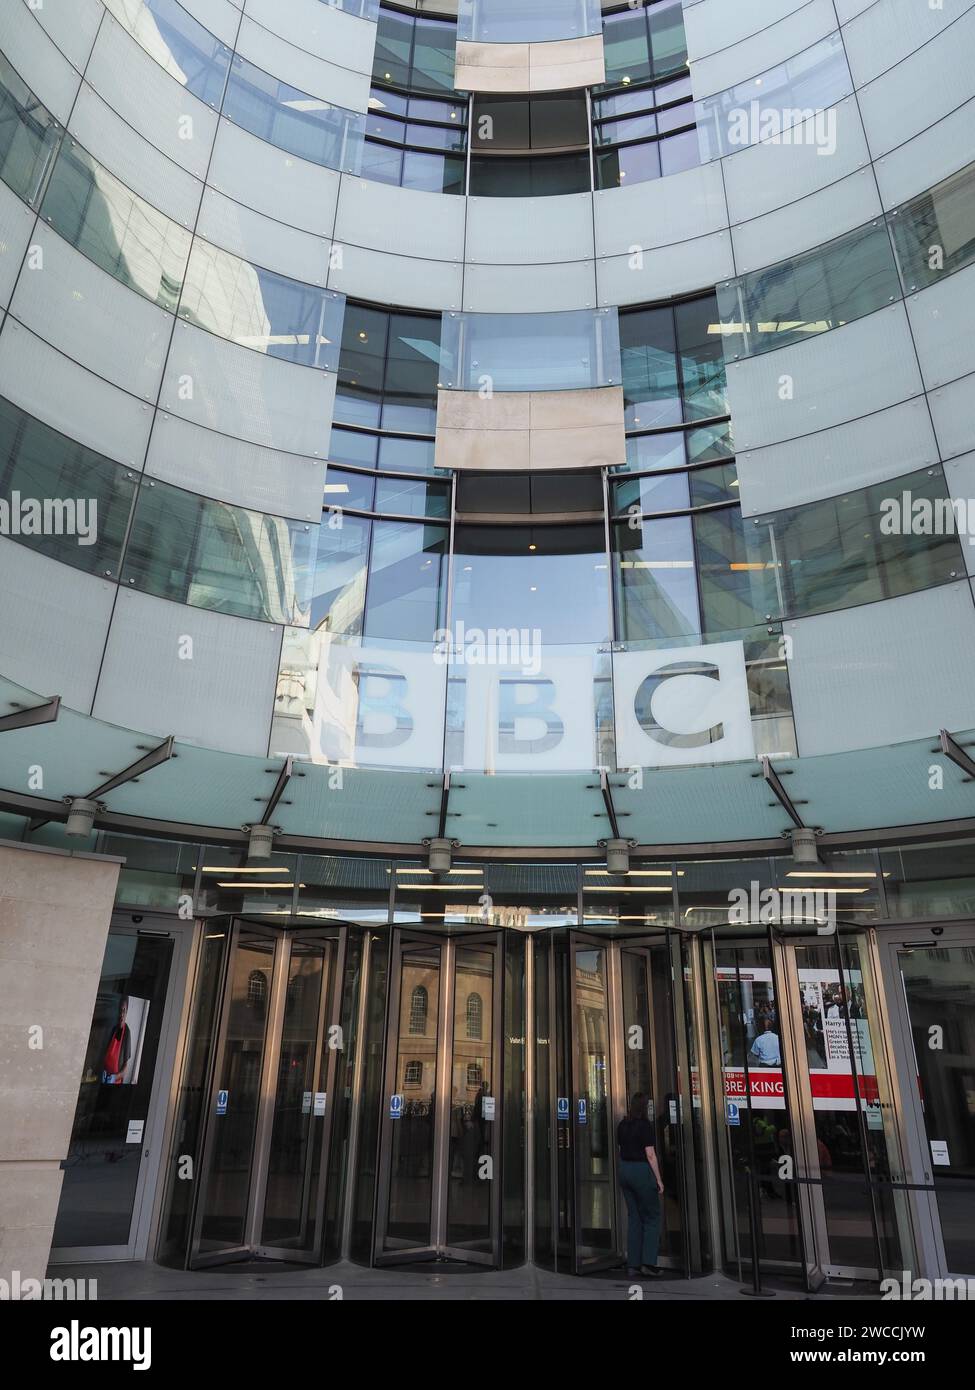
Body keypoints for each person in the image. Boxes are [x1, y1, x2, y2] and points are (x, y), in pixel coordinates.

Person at [617, 1093, 665, 1277]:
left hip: (624, 1170)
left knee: (634, 1216)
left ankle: (633, 1264)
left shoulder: (622, 1125)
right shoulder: (644, 1126)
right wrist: (658, 1179)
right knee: (652, 1217)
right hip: (641, 1171)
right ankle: (648, 1263)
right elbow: (650, 1155)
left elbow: (620, 1150)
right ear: (644, 1107)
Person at [102, 995, 131, 1085]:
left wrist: (114, 1077)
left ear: (126, 1013)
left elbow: (125, 1068)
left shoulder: (127, 1032)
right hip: (104, 1078)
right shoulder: (112, 1028)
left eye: (124, 1011)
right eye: (119, 1011)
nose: (121, 1014)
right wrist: (102, 1071)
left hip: (115, 1082)